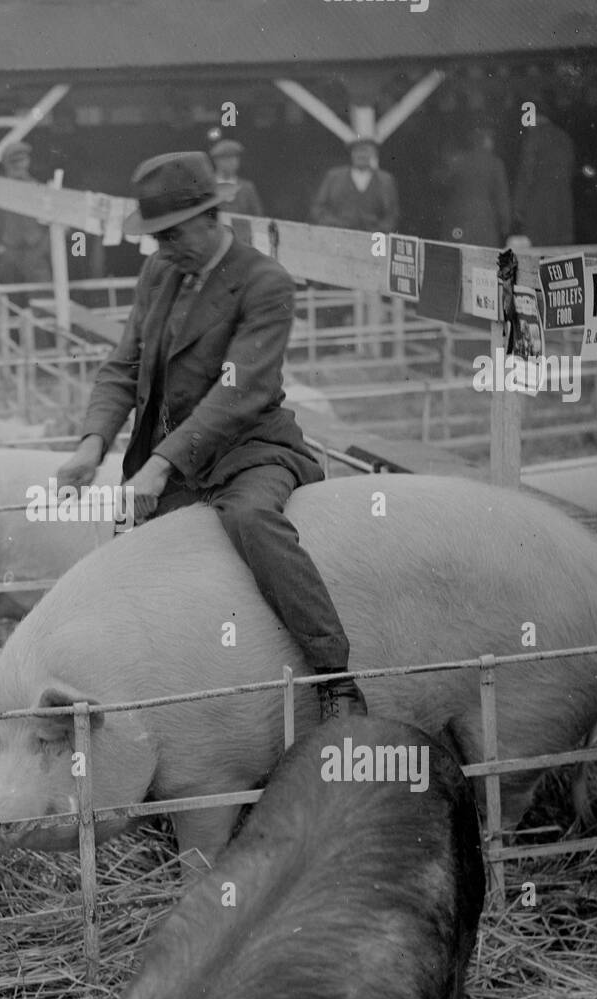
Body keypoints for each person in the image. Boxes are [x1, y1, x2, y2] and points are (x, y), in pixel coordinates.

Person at [55, 151, 366, 722]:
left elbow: (237, 392)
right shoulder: (160, 273)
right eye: (156, 239)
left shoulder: (264, 283)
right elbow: (124, 365)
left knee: (251, 521)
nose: (162, 249)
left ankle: (334, 675)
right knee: (137, 558)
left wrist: (160, 464)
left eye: (171, 235)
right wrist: (92, 444)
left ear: (211, 217)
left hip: (248, 450)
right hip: (174, 461)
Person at [0, 141, 51, 288]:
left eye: (22, 161)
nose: (19, 166)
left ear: (28, 162)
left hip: (36, 257)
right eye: (13, 162)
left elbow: (50, 226)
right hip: (8, 258)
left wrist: (42, 250)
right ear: (6, 164)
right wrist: (0, 250)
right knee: (10, 304)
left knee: (42, 300)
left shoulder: (40, 190)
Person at [438, 125, 511, 247]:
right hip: (485, 219)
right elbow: (502, 197)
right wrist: (505, 224)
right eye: (491, 138)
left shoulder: (460, 161)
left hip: (461, 218)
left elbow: (444, 183)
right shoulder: (495, 163)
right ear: (485, 141)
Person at [311, 135, 399, 233]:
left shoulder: (385, 180)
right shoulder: (334, 177)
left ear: (374, 154)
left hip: (372, 239)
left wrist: (379, 231)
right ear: (351, 153)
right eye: (357, 151)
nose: (361, 155)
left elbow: (392, 214)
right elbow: (318, 208)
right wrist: (332, 226)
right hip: (337, 236)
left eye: (366, 151)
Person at [511, 110, 575, 246]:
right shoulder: (564, 137)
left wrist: (518, 206)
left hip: (538, 205)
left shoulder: (534, 136)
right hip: (562, 205)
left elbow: (526, 173)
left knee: (537, 252)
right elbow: (570, 171)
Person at [210, 138, 264, 217]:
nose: (232, 162)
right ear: (216, 161)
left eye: (235, 158)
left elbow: (258, 218)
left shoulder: (247, 188)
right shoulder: (207, 187)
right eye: (227, 158)